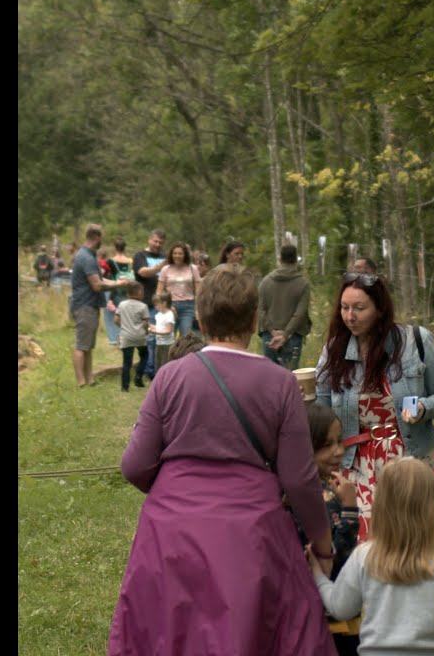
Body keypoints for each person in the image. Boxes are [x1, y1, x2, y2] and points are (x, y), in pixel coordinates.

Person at [109, 264, 336, 656]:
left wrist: (176, 484)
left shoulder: (169, 377)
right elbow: (299, 479)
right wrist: (323, 544)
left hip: (170, 533)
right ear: (253, 319)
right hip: (251, 534)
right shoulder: (280, 382)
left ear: (199, 315)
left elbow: (134, 466)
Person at [315, 272, 434, 542]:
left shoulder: (416, 341)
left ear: (380, 309)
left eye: (359, 308)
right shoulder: (334, 350)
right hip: (358, 463)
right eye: (344, 308)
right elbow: (321, 410)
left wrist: (424, 408)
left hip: (412, 459)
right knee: (366, 550)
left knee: (418, 546)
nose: (350, 316)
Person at [310, 457, 434, 655]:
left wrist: (318, 576)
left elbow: (340, 608)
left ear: (380, 505)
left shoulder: (364, 556)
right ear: (431, 508)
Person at [308, 401, 362, 656]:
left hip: (338, 600)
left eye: (339, 441)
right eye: (327, 445)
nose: (339, 451)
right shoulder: (316, 499)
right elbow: (334, 553)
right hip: (331, 612)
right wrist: (350, 509)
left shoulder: (327, 490)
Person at [70, 223, 132, 387]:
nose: (101, 242)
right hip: (84, 305)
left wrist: (117, 282)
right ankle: (81, 382)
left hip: (90, 305)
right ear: (96, 237)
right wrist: (117, 285)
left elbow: (101, 279)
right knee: (81, 345)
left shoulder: (90, 256)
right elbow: (97, 285)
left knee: (88, 345)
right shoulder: (86, 257)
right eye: (101, 238)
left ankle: (89, 380)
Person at [260, 244, 312, 369]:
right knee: (290, 379)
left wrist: (272, 331)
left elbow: (260, 310)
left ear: (279, 259)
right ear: (295, 260)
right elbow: (300, 313)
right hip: (292, 336)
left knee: (270, 378)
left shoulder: (265, 282)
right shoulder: (303, 284)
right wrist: (285, 334)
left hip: (269, 337)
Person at [132, 229, 169, 379]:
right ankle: (148, 369)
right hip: (145, 301)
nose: (157, 244)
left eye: (160, 242)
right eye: (155, 241)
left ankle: (154, 368)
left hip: (162, 303)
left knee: (159, 338)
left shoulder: (165, 256)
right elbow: (143, 273)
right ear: (149, 240)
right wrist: (160, 267)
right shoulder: (140, 255)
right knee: (149, 337)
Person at [157, 241, 201, 336]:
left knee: (186, 335)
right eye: (175, 253)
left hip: (188, 306)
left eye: (180, 253)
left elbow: (198, 291)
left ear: (185, 255)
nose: (177, 256)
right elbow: (159, 292)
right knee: (168, 336)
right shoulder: (166, 269)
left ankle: (184, 351)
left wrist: (198, 309)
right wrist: (166, 306)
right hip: (170, 305)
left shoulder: (193, 269)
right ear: (171, 255)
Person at [115, 282, 151, 392]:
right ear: (139, 292)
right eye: (143, 291)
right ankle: (138, 377)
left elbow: (116, 320)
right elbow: (145, 323)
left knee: (127, 362)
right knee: (144, 356)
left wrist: (124, 327)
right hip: (139, 336)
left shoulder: (122, 304)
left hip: (126, 337)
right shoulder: (143, 306)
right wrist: (146, 331)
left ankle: (124, 387)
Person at [103, 238, 136, 346]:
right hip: (127, 291)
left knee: (112, 315)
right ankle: (127, 336)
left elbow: (105, 274)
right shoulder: (130, 261)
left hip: (114, 290)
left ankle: (115, 338)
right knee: (125, 315)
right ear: (124, 248)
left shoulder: (110, 261)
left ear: (114, 248)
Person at [149, 293, 176, 370]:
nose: (155, 307)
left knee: (165, 363)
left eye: (157, 304)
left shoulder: (169, 315)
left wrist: (155, 332)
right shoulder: (158, 315)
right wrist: (149, 325)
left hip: (167, 344)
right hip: (159, 342)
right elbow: (159, 327)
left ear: (164, 303)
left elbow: (168, 331)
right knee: (158, 362)